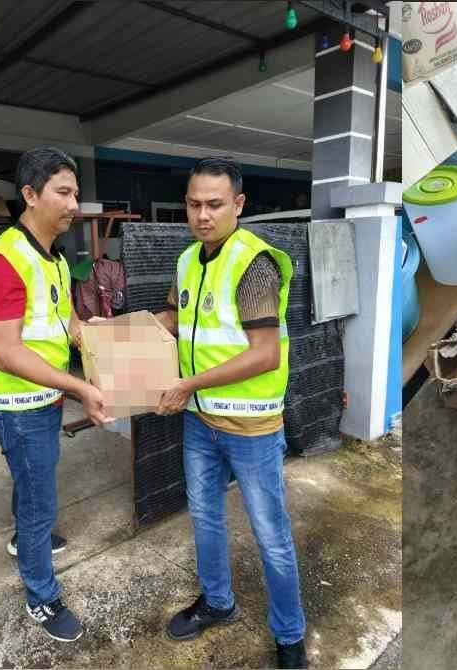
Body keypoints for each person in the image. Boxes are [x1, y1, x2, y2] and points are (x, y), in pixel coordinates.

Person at [153, 157, 307, 669]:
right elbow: (176, 317)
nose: (202, 214)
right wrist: (120, 330)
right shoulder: (187, 260)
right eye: (194, 204)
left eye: (214, 204)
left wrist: (187, 384)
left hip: (252, 429)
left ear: (238, 205)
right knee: (205, 520)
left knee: (271, 535)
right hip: (201, 421)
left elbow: (265, 353)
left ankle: (289, 636)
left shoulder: (254, 262)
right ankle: (218, 603)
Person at [0, 147, 112, 642]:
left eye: (77, 193)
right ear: (30, 194)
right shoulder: (3, 262)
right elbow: (6, 351)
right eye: (63, 193)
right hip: (16, 403)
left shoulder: (52, 259)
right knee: (40, 497)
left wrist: (93, 341)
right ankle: (41, 596)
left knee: (33, 480)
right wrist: (79, 387)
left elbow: (62, 318)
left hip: (41, 398)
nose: (74, 205)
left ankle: (28, 537)